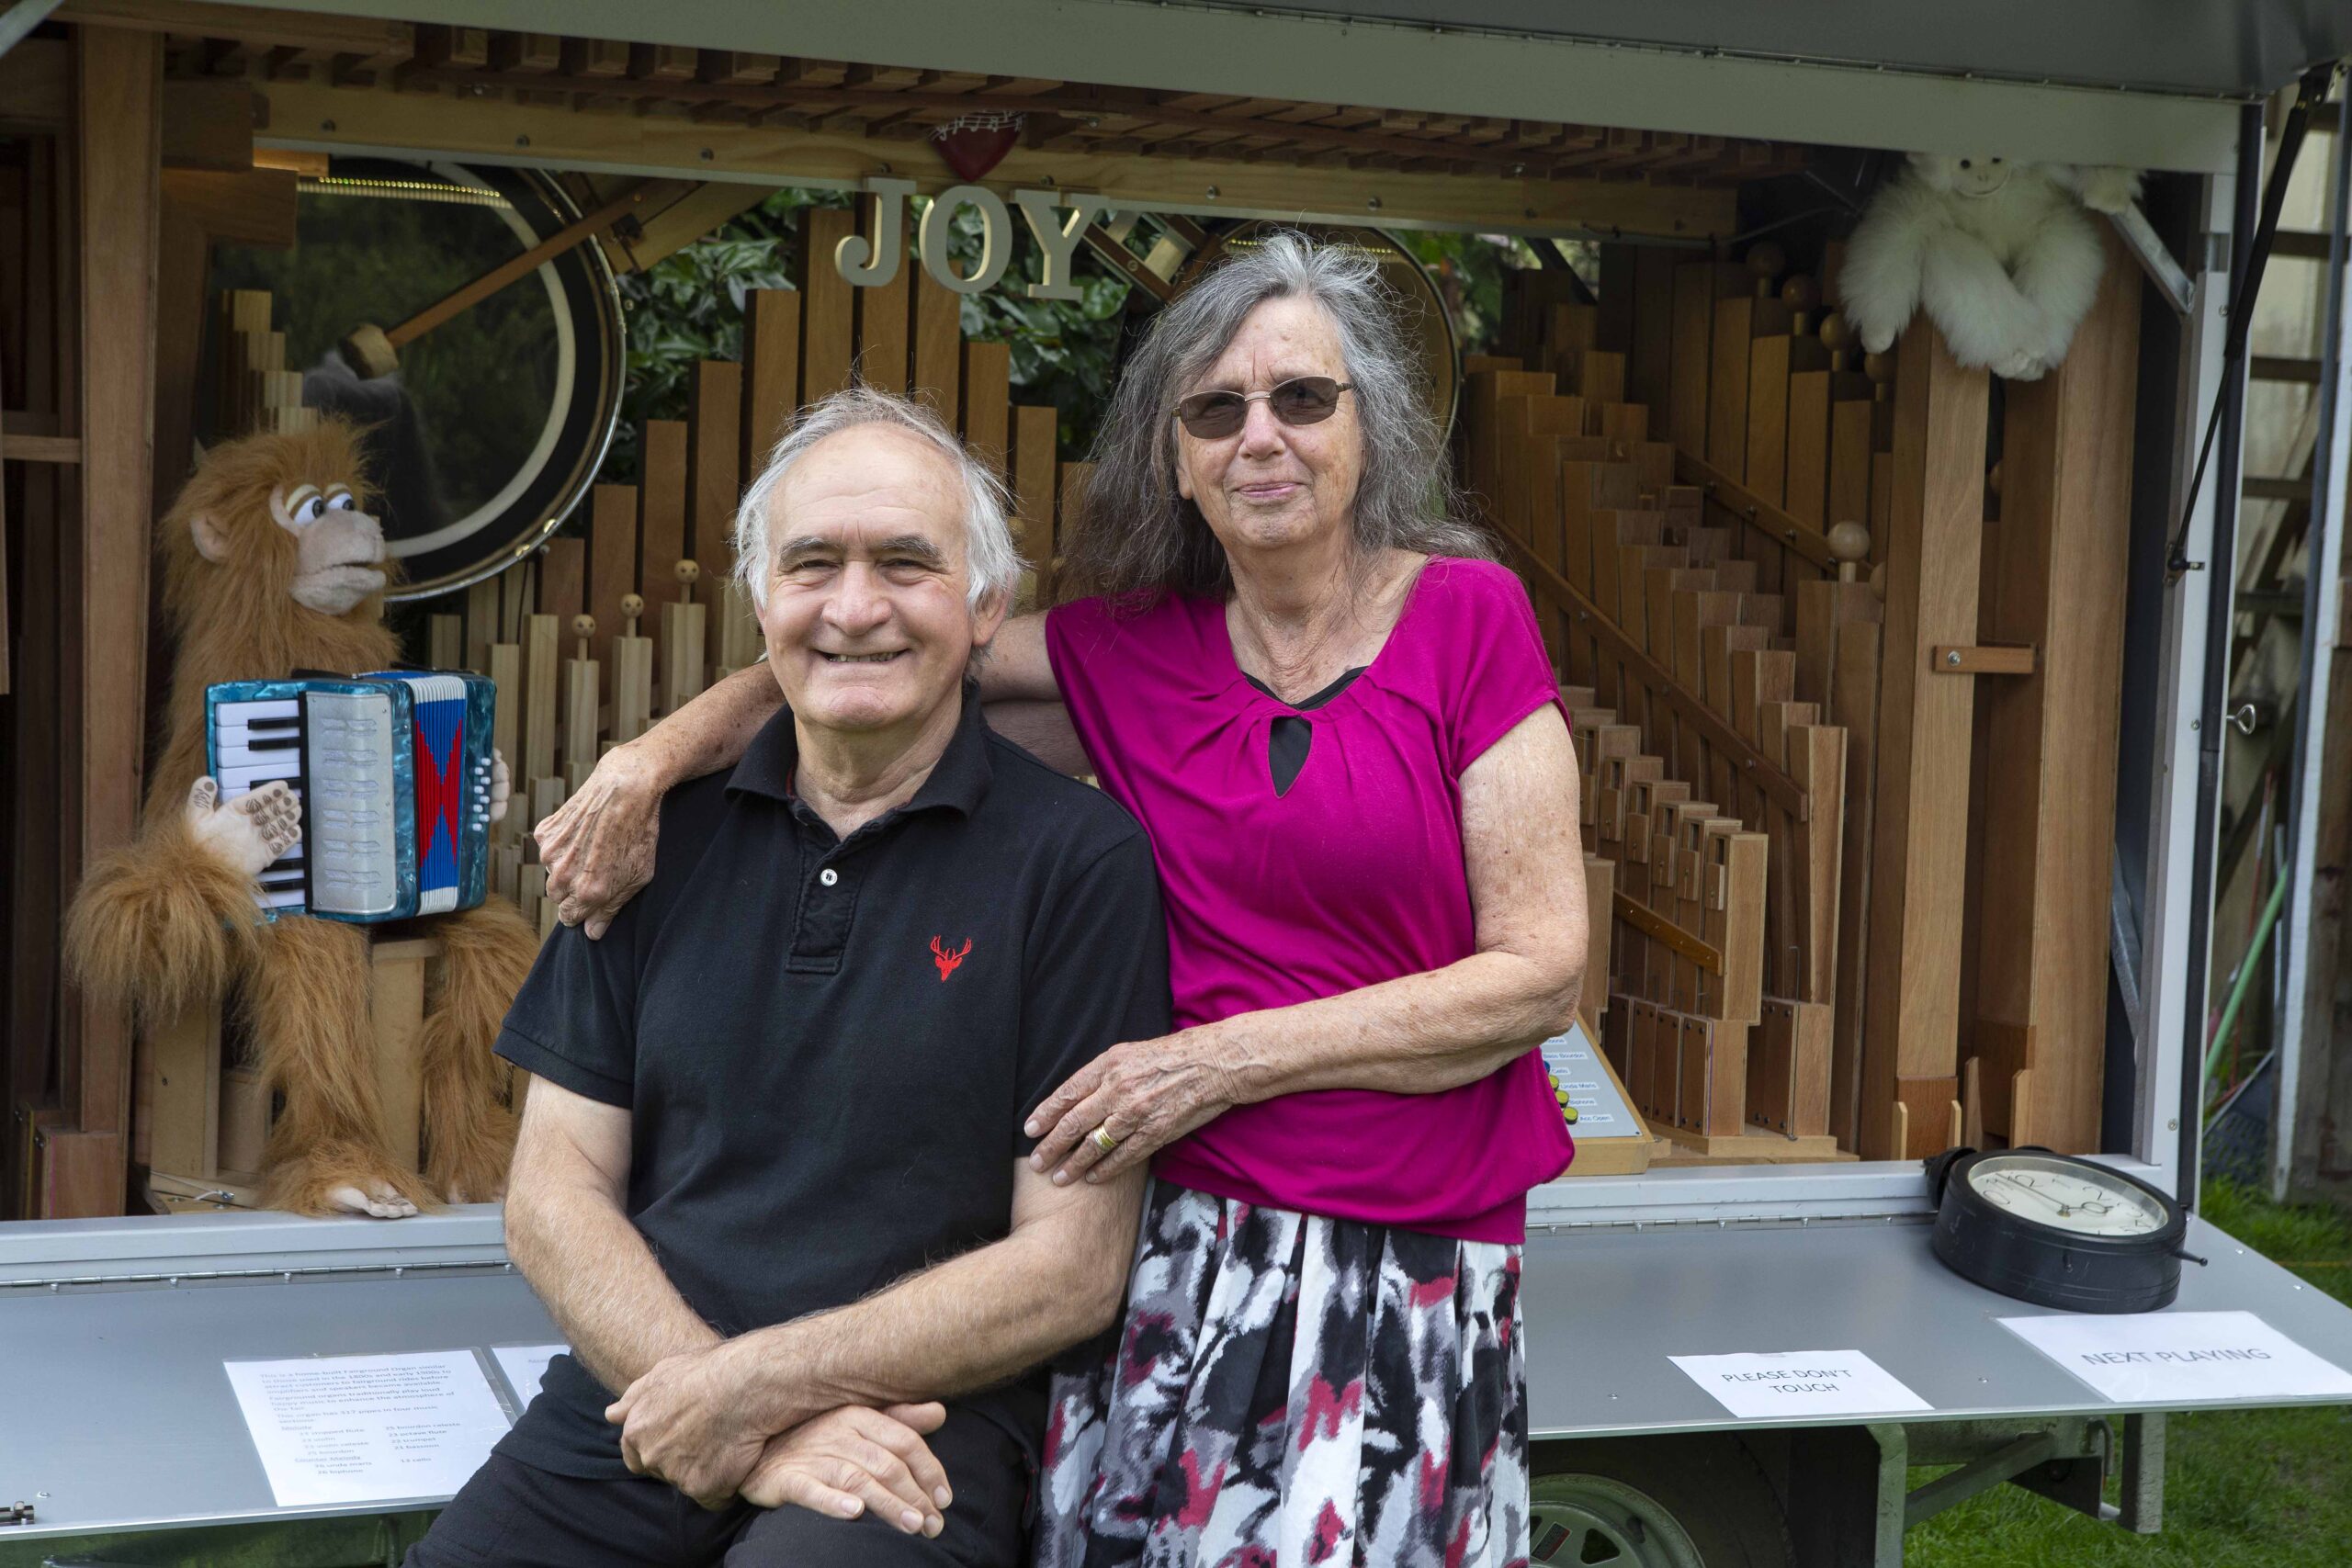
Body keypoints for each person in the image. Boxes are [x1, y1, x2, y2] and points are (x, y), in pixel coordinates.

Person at [537, 233, 1587, 1568]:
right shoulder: (1125, 647)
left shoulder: (1469, 619)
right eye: (1216, 409)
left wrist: (1218, 1057)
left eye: (1301, 399)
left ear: (1369, 426)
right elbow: (878, 645)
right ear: (1176, 455)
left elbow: (1544, 968)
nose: (1260, 435)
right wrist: (646, 763)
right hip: (1182, 1245)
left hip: (1407, 1251)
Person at [410, 389, 1170, 1568]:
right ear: (761, 601)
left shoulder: (1081, 866)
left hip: (920, 1420)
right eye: (813, 564)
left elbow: (1071, 1267)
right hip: (644, 1388)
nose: (855, 608)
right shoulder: (654, 838)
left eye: (906, 565)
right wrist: (731, 1418)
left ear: (986, 611)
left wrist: (756, 1387)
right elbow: (550, 1192)